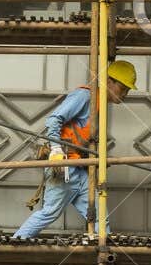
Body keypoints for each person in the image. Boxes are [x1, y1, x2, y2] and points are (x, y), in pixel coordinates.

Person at [12, 59, 137, 240]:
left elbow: (81, 137)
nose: (125, 94)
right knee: (49, 213)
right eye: (123, 88)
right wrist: (55, 150)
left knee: (101, 218)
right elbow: (54, 120)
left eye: (128, 90)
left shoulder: (99, 105)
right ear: (109, 81)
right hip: (64, 168)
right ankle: (17, 243)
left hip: (79, 169)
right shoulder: (84, 96)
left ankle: (106, 252)